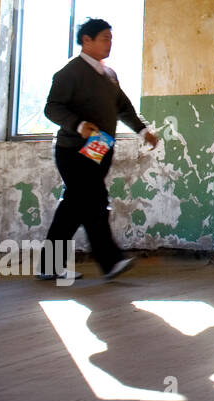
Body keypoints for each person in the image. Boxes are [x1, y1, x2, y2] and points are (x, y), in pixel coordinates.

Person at [40, 17, 159, 281]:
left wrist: (143, 131)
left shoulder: (109, 75)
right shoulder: (69, 73)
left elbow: (124, 108)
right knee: (94, 200)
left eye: (110, 38)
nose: (109, 43)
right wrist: (78, 124)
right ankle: (110, 261)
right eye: (104, 38)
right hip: (72, 149)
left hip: (99, 147)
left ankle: (48, 265)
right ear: (86, 40)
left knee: (74, 205)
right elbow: (52, 108)